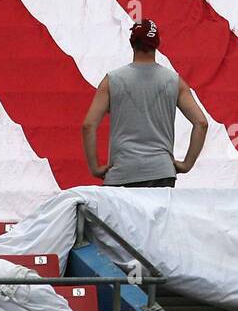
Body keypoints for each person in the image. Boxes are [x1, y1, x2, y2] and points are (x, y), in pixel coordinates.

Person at [81, 19, 208, 188]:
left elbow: (89, 125)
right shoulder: (174, 81)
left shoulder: (112, 80)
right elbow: (201, 123)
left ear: (132, 42)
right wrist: (186, 164)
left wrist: (95, 168)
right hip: (161, 173)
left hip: (122, 172)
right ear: (158, 43)